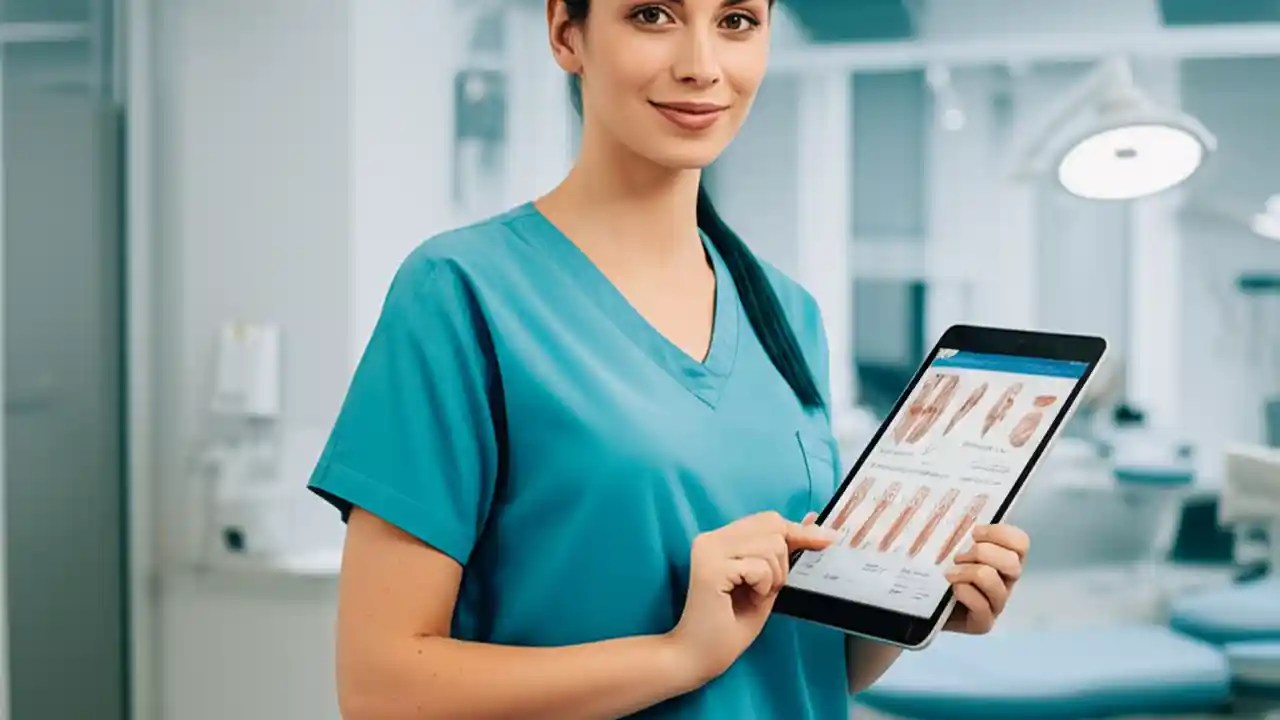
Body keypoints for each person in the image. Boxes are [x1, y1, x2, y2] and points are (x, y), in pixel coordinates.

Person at [306, 1, 1031, 718]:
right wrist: (676, 657)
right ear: (567, 32)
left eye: (737, 22)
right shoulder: (462, 292)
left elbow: (805, 663)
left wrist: (916, 601)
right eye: (652, 16)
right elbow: (383, 690)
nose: (701, 66)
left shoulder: (786, 311)